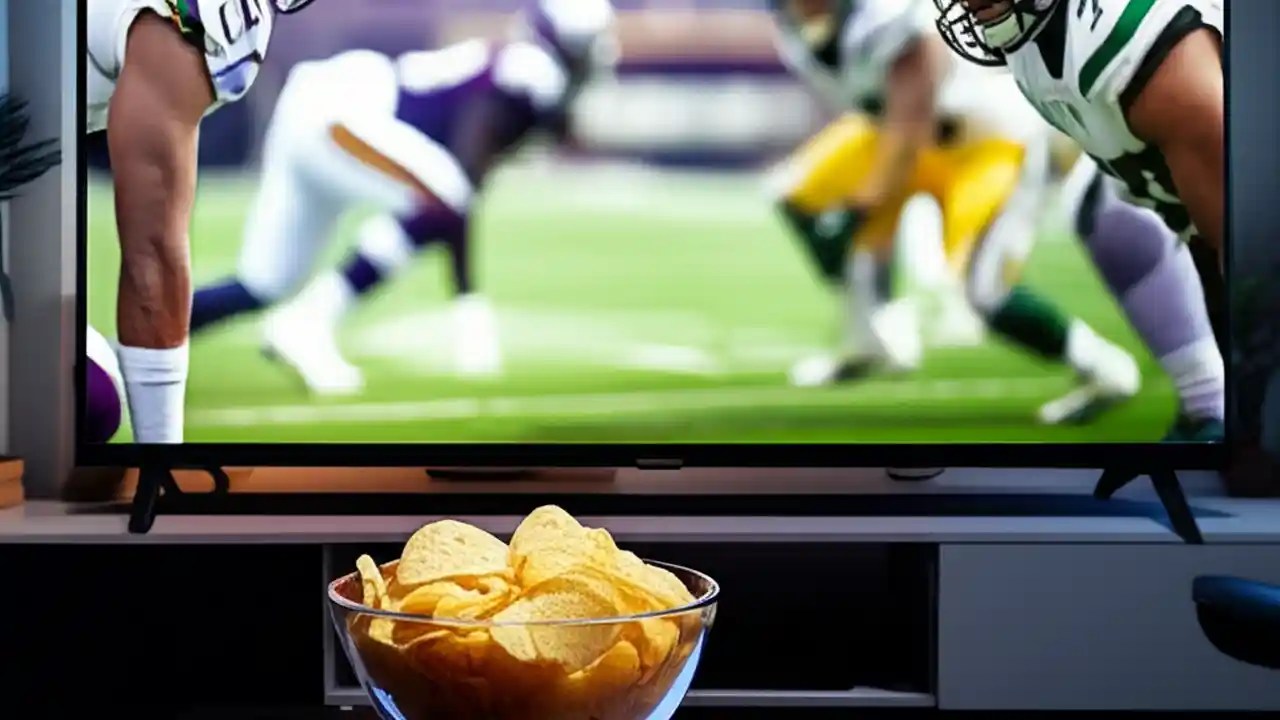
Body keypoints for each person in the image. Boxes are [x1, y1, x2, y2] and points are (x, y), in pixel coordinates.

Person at [188, 0, 619, 396]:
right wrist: (469, 304)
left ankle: (143, 339)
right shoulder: (531, 72)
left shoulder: (521, 71)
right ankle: (308, 322)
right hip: (344, 109)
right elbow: (459, 187)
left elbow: (456, 192)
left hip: (321, 106)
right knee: (446, 196)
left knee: (264, 283)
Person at [767, 0, 1139, 424]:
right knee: (796, 191)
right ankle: (872, 340)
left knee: (985, 292)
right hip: (900, 134)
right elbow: (881, 115)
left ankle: (1103, 367)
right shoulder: (799, 28)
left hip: (982, 143)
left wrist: (857, 211)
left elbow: (912, 124)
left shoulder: (887, 18)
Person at [934, 0, 1226, 439]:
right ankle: (1210, 404)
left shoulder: (1143, 42)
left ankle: (1213, 403)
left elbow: (1253, 244)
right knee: (1105, 211)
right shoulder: (1032, 44)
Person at [85, 0, 317, 443]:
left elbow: (150, 252)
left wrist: (158, 463)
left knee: (89, 399)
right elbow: (152, 254)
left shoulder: (202, 18)